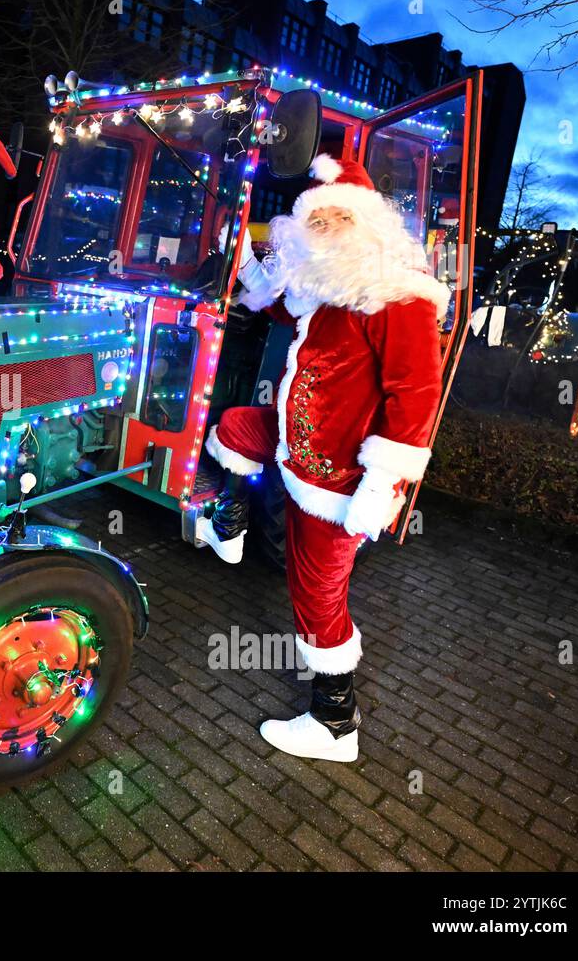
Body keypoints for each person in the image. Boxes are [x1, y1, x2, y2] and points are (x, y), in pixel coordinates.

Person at [195, 153, 448, 762]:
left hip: (338, 480)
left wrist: (382, 487)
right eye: (319, 222)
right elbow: (279, 304)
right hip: (293, 441)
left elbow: (415, 397)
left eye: (339, 220)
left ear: (370, 225)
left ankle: (335, 724)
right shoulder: (332, 288)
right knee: (232, 427)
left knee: (316, 596)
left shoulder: (401, 298)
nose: (327, 232)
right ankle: (229, 525)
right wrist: (247, 262)